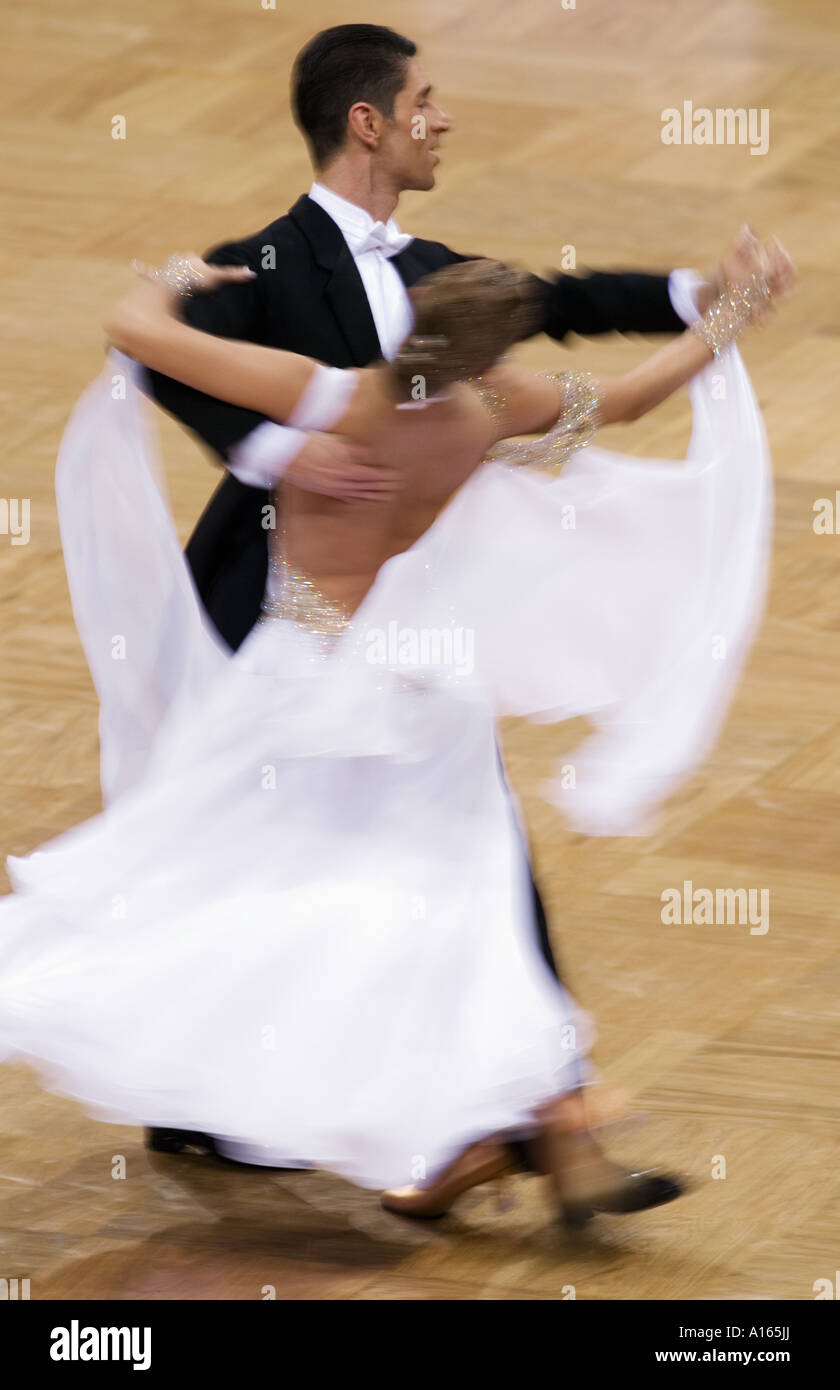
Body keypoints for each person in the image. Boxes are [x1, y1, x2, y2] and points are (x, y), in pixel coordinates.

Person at [0, 238, 792, 1225]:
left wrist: (173, 279)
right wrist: (725, 321)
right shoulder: (492, 407)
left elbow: (135, 334)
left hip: (304, 691)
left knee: (205, 882)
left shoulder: (328, 398)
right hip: (428, 696)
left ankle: (414, 1109)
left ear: (412, 313)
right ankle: (544, 1129)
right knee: (465, 915)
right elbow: (630, 397)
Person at [142, 26, 773, 1151]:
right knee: (284, 857)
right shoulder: (273, 261)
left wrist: (693, 291)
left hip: (401, 635)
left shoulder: (433, 277)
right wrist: (272, 454)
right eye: (425, 99)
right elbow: (162, 356)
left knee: (457, 840)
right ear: (367, 122)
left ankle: (540, 1101)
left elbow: (563, 298)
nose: (445, 118)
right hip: (268, 605)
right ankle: (251, 1097)